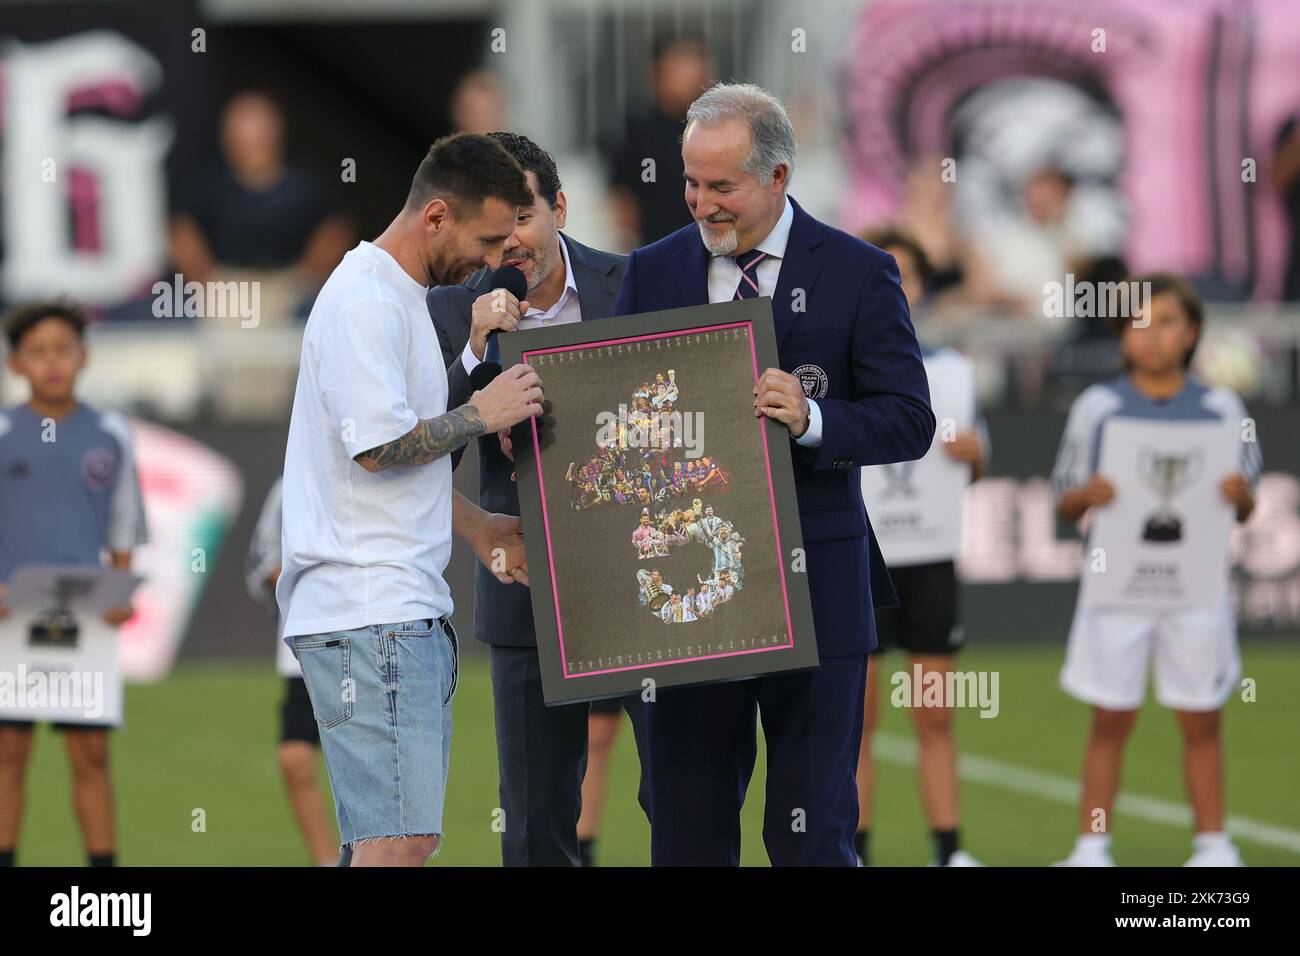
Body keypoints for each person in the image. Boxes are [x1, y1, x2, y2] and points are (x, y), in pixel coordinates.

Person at [612, 83, 935, 866]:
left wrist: (814, 419)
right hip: (687, 590)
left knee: (814, 832)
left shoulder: (861, 272)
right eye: (691, 181)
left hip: (817, 587)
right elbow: (615, 424)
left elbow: (910, 419)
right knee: (686, 830)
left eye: (721, 185)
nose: (700, 202)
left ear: (779, 176)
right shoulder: (650, 273)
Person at [277, 132, 544, 868]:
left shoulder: (398, 298)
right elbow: (376, 449)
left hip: (386, 608)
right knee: (399, 846)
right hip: (372, 609)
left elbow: (397, 463)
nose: (494, 260)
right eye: (487, 238)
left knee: (386, 843)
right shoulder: (366, 301)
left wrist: (477, 521)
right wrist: (482, 413)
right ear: (434, 218)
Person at [427, 131, 646, 866]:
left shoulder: (639, 282)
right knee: (534, 820)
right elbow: (416, 457)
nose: (509, 240)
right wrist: (476, 530)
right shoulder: (451, 312)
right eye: (492, 224)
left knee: (684, 793)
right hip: (528, 588)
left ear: (559, 206)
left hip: (650, 580)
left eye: (522, 215)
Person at [1050, 273, 1259, 867]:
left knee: (1202, 718)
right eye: (1138, 322)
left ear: (1191, 332)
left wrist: (1238, 493)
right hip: (1117, 585)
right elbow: (1063, 497)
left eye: (1166, 321)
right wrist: (1086, 493)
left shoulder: (1222, 407)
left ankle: (1214, 845)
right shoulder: (1097, 406)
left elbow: (1249, 500)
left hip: (1196, 586)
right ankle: (1092, 845)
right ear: (1121, 332)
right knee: (1110, 717)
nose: (1151, 335)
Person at [855, 227, 989, 867]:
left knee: (934, 716)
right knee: (858, 725)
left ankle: (949, 852)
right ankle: (852, 850)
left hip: (931, 557)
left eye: (909, 274)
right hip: (864, 556)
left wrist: (976, 455)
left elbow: (975, 455)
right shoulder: (843, 365)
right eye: (889, 274)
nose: (899, 287)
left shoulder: (955, 371)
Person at [0, 300, 147, 868]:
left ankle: (103, 886)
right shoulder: (4, 432)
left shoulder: (109, 432)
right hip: (13, 619)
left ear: (83, 356)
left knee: (90, 754)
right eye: (37, 352)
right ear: (16, 364)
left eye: (63, 349)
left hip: (83, 620)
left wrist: (120, 586)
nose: (52, 362)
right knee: (9, 752)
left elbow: (125, 522)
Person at [170, 91, 352, 324]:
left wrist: (303, 281)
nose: (251, 138)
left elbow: (335, 230)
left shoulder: (304, 187)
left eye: (258, 128)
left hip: (289, 290)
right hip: (226, 289)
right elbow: (181, 232)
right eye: (241, 128)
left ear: (277, 131)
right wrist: (210, 282)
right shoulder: (206, 186)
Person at [245, 477, 350, 866]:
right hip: (305, 641)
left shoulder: (382, 464)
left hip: (371, 637)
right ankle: (327, 862)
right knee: (294, 757)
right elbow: (261, 559)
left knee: (364, 762)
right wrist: (300, 580)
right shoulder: (292, 482)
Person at [607, 35, 713, 249]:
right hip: (656, 248)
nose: (693, 77)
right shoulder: (639, 130)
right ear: (659, 73)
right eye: (681, 67)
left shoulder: (714, 128)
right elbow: (623, 197)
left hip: (709, 247)